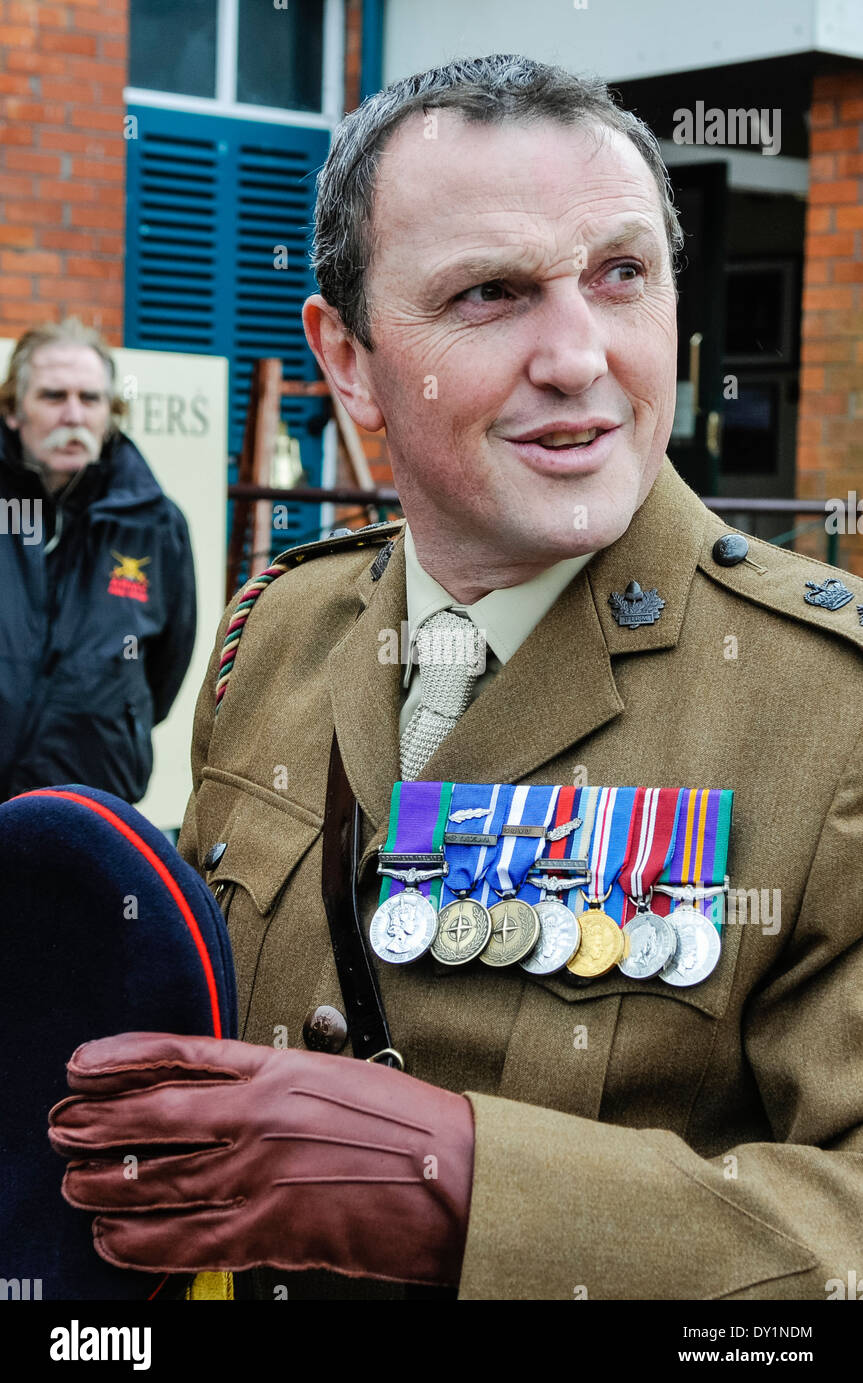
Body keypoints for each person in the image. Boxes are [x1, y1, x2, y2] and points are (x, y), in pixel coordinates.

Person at [50, 56, 863, 1301]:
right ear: (352, 362)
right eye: (491, 293)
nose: (578, 356)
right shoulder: (285, 623)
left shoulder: (827, 702)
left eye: (620, 275)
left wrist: (457, 1188)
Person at [0, 317, 196, 804]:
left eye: (90, 399)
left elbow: (168, 664)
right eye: (52, 396)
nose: (73, 415)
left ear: (110, 412)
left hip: (94, 803)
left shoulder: (154, 523)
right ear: (12, 410)